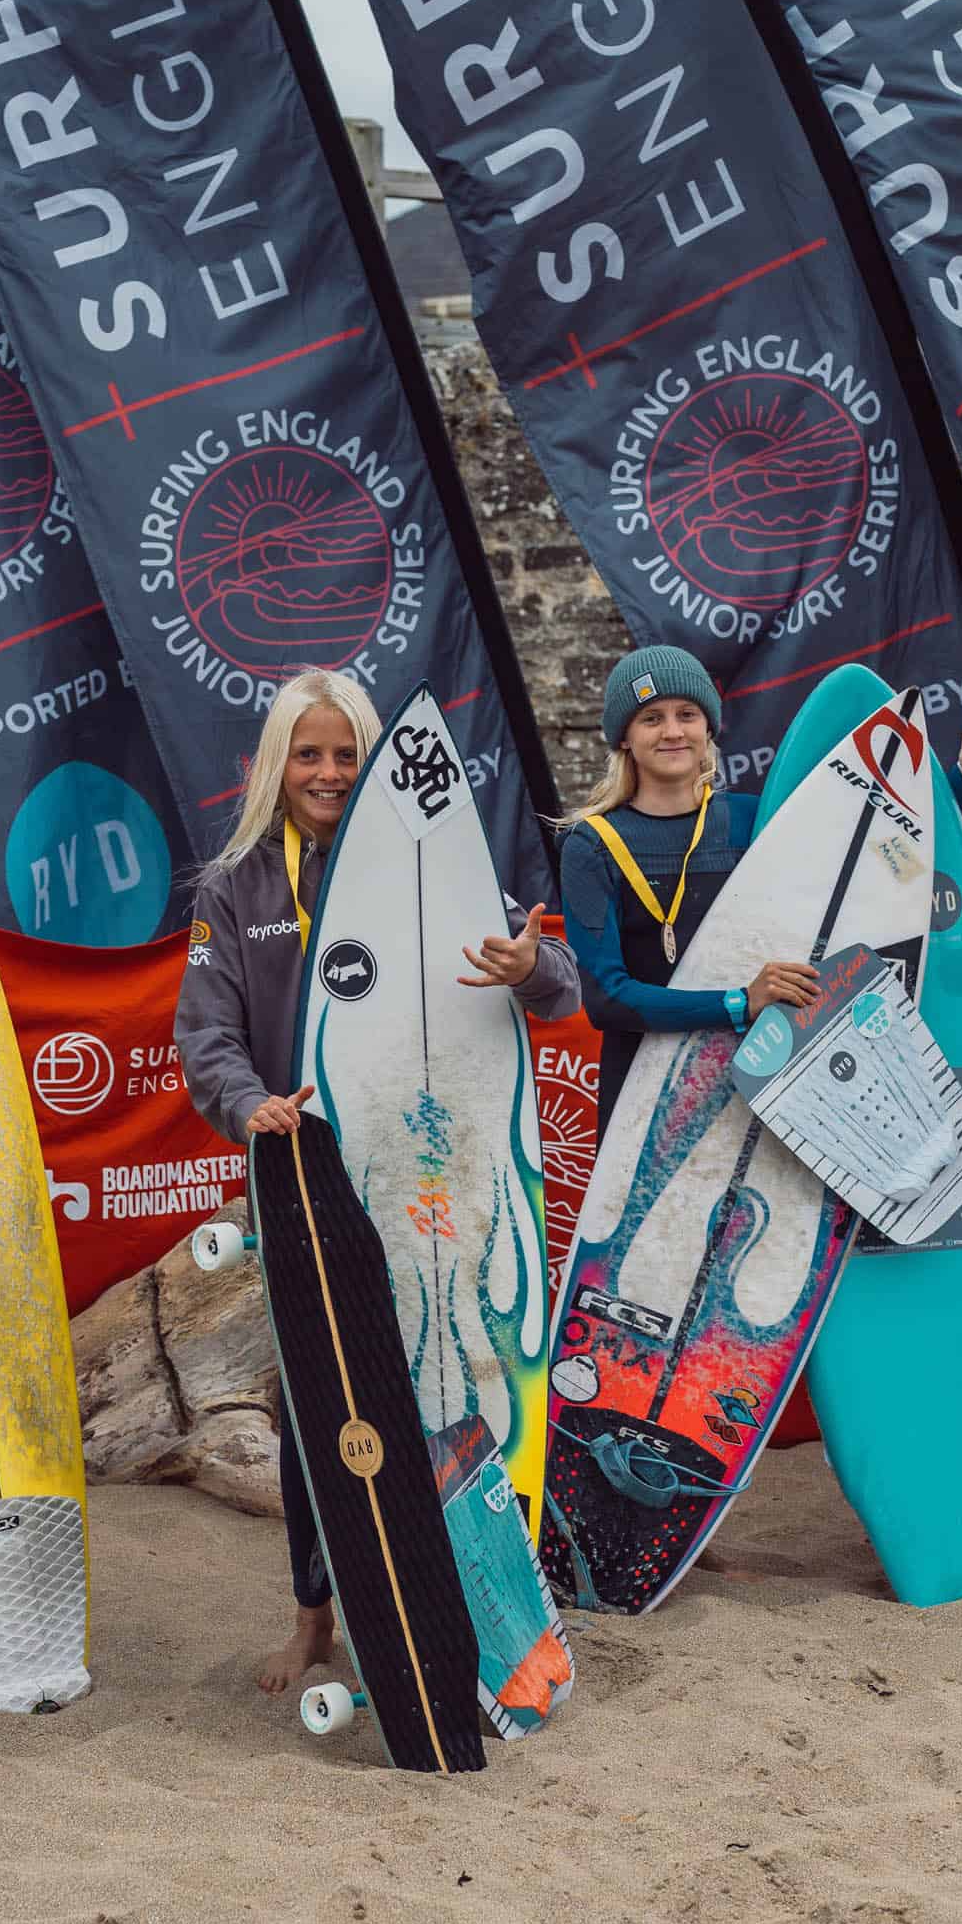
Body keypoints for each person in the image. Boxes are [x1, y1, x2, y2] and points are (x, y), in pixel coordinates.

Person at [174, 670, 579, 1696]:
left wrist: (527, 966)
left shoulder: (433, 868)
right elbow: (204, 1035)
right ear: (276, 765)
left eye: (344, 753)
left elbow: (557, 990)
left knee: (450, 1372)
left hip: (428, 1169)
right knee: (316, 1397)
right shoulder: (238, 886)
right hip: (307, 1172)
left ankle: (477, 1590)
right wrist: (247, 1102)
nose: (326, 772)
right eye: (306, 753)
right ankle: (316, 1615)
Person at [558, 646, 962, 1143]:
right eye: (651, 718)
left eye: (687, 715)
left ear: (708, 729)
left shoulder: (754, 819)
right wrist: (740, 1003)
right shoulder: (590, 845)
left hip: (764, 1080)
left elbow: (866, 847)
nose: (673, 731)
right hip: (645, 1093)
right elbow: (608, 1000)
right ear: (625, 739)